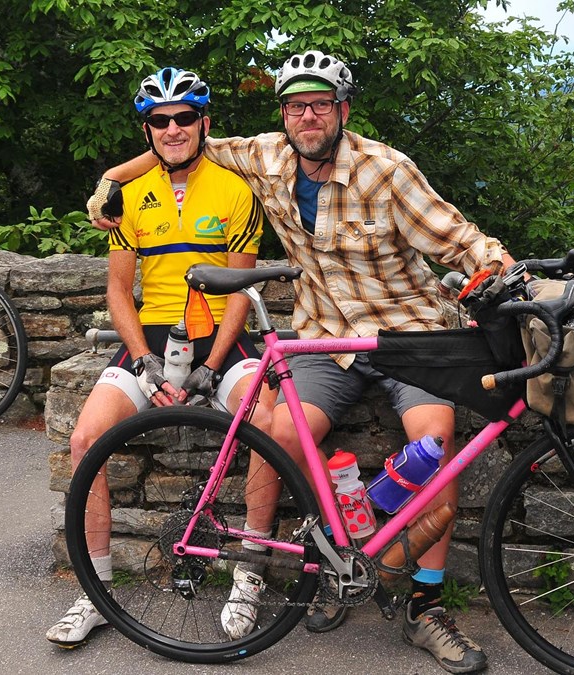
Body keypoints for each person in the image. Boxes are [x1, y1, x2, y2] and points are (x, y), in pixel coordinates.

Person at [92, 51, 511, 674]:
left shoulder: (386, 170)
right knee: (279, 433)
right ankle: (332, 562)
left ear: (343, 110)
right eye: (295, 105)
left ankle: (424, 606)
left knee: (437, 441)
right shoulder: (267, 156)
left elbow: (459, 236)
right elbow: (180, 142)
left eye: (319, 104)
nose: (306, 116)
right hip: (326, 338)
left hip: (407, 334)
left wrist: (500, 268)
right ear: (283, 114)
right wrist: (113, 179)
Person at [46, 66, 276, 648]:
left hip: (220, 336)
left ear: (203, 123)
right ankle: (95, 589)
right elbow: (119, 292)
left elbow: (242, 293)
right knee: (84, 439)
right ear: (148, 129)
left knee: (270, 424)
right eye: (159, 120)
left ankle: (248, 574)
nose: (172, 129)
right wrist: (146, 361)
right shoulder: (130, 197)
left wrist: (208, 367)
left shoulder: (236, 192)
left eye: (183, 117)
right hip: (150, 338)